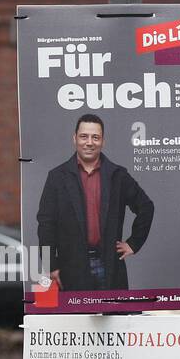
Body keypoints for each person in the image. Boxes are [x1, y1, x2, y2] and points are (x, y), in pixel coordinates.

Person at [36, 113, 154, 292]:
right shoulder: (57, 177)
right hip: (70, 268)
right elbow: (46, 225)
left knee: (114, 319)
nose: (89, 142)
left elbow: (146, 206)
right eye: (84, 136)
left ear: (103, 141)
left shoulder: (118, 176)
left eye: (95, 137)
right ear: (74, 138)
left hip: (109, 265)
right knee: (75, 320)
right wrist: (50, 266)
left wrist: (133, 243)